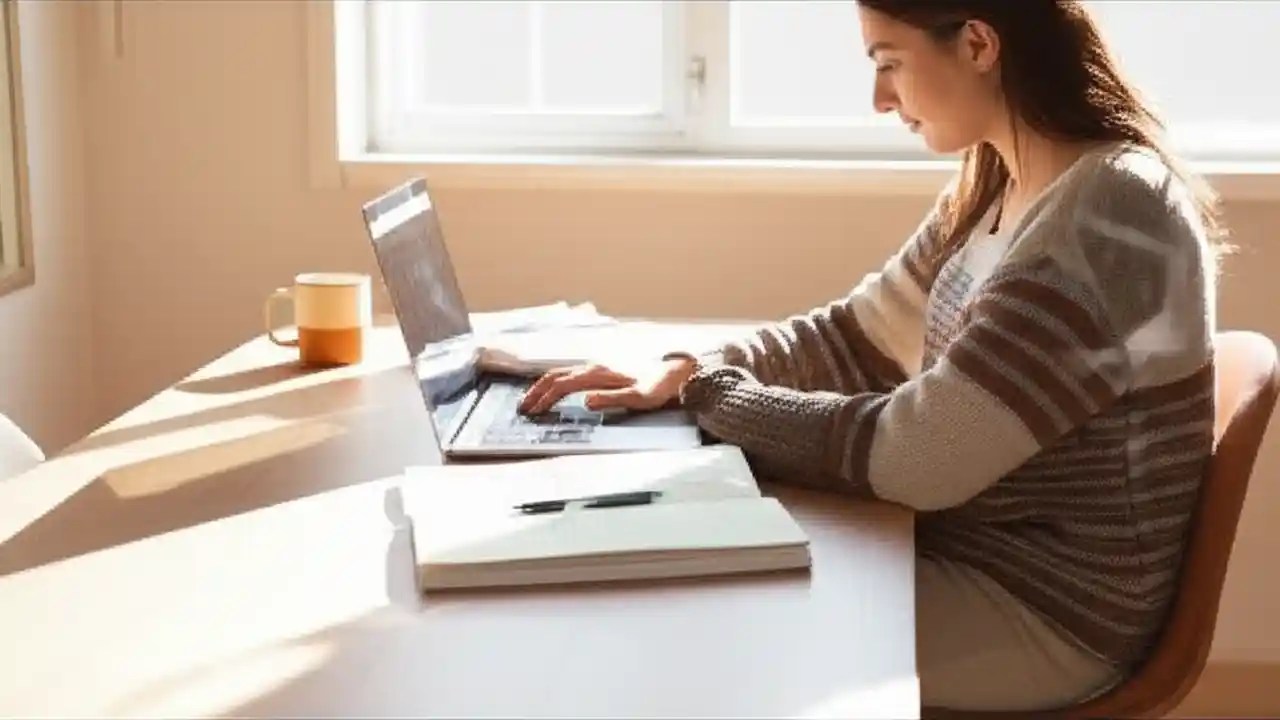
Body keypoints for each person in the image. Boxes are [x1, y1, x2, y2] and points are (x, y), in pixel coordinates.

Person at [519, 0, 1225, 712]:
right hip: (971, 553)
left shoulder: (1108, 216)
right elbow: (856, 338)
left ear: (978, 42)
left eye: (889, 63)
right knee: (692, 572)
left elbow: (915, 460)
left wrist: (711, 396)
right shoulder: (1001, 182)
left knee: (710, 620)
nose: (880, 100)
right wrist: (688, 367)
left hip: (1048, 613)